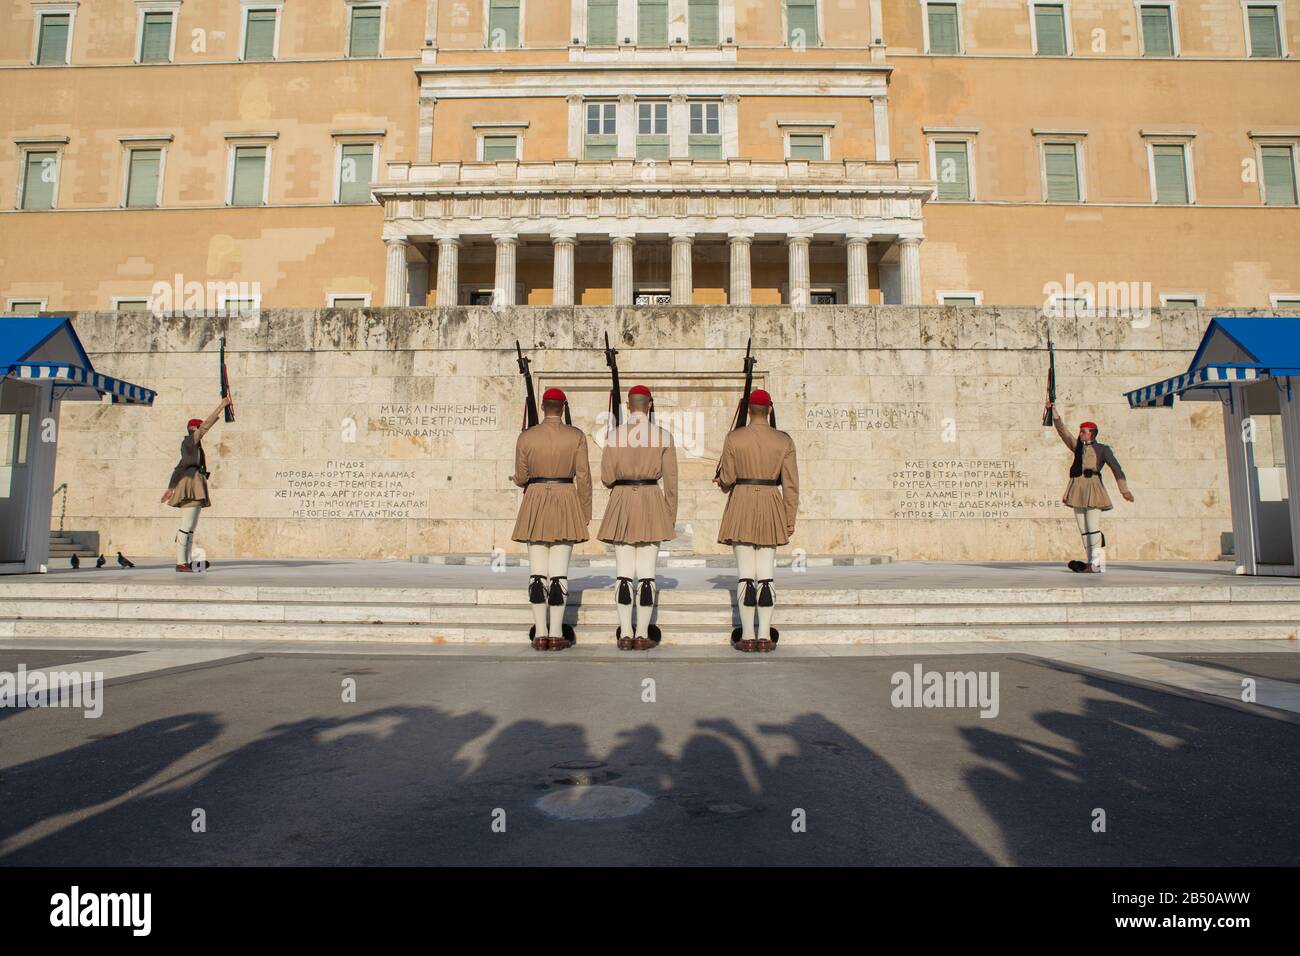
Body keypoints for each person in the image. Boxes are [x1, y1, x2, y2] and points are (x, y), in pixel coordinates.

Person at [714, 389, 799, 652]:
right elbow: (791, 485)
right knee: (766, 575)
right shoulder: (784, 440)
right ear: (769, 410)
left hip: (742, 503)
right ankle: (764, 636)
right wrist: (788, 517)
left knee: (745, 576)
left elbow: (727, 480)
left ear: (748, 411)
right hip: (771, 503)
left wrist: (721, 478)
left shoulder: (734, 438)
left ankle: (747, 635)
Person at [598, 385, 679, 651]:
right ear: (650, 405)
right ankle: (642, 633)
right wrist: (669, 515)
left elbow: (607, 479)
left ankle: (625, 633)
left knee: (623, 573)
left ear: (628, 406)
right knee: (647, 575)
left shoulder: (613, 436)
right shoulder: (663, 436)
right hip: (651, 500)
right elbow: (672, 482)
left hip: (621, 500)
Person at [512, 387, 592, 650]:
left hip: (535, 499)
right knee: (559, 574)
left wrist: (520, 480)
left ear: (543, 407)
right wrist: (585, 510)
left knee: (537, 574)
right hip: (566, 498)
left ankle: (539, 634)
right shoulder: (576, 436)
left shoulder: (527, 436)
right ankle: (556, 633)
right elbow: (584, 476)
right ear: (563, 407)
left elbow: (521, 477)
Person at [1047, 399, 1134, 573]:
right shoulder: (1077, 448)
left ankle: (1097, 563)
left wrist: (1124, 490)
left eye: (1084, 432)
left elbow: (1116, 468)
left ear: (1092, 433)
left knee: (1093, 528)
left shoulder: (1102, 449)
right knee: (1084, 529)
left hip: (1093, 488)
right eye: (1080, 431)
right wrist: (1054, 412)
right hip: (1077, 488)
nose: (1081, 434)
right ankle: (1090, 563)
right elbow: (1064, 433)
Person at [161, 397, 232, 572]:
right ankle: (180, 562)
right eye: (198, 428)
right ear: (193, 428)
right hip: (191, 486)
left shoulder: (192, 448)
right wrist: (221, 406)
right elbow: (206, 425)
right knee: (186, 526)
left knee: (190, 527)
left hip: (193, 483)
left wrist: (170, 488)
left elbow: (178, 467)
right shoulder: (190, 441)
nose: (201, 431)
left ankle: (185, 561)